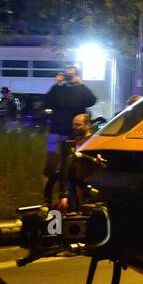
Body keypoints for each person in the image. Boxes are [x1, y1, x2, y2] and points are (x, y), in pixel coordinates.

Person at [43, 66, 97, 203]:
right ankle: (46, 195)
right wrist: (55, 84)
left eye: (72, 75)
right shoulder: (59, 89)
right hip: (56, 131)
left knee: (70, 165)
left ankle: (68, 194)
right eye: (67, 75)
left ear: (77, 75)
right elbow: (47, 101)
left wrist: (82, 84)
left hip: (72, 132)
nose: (69, 77)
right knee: (51, 165)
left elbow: (91, 101)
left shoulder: (81, 89)